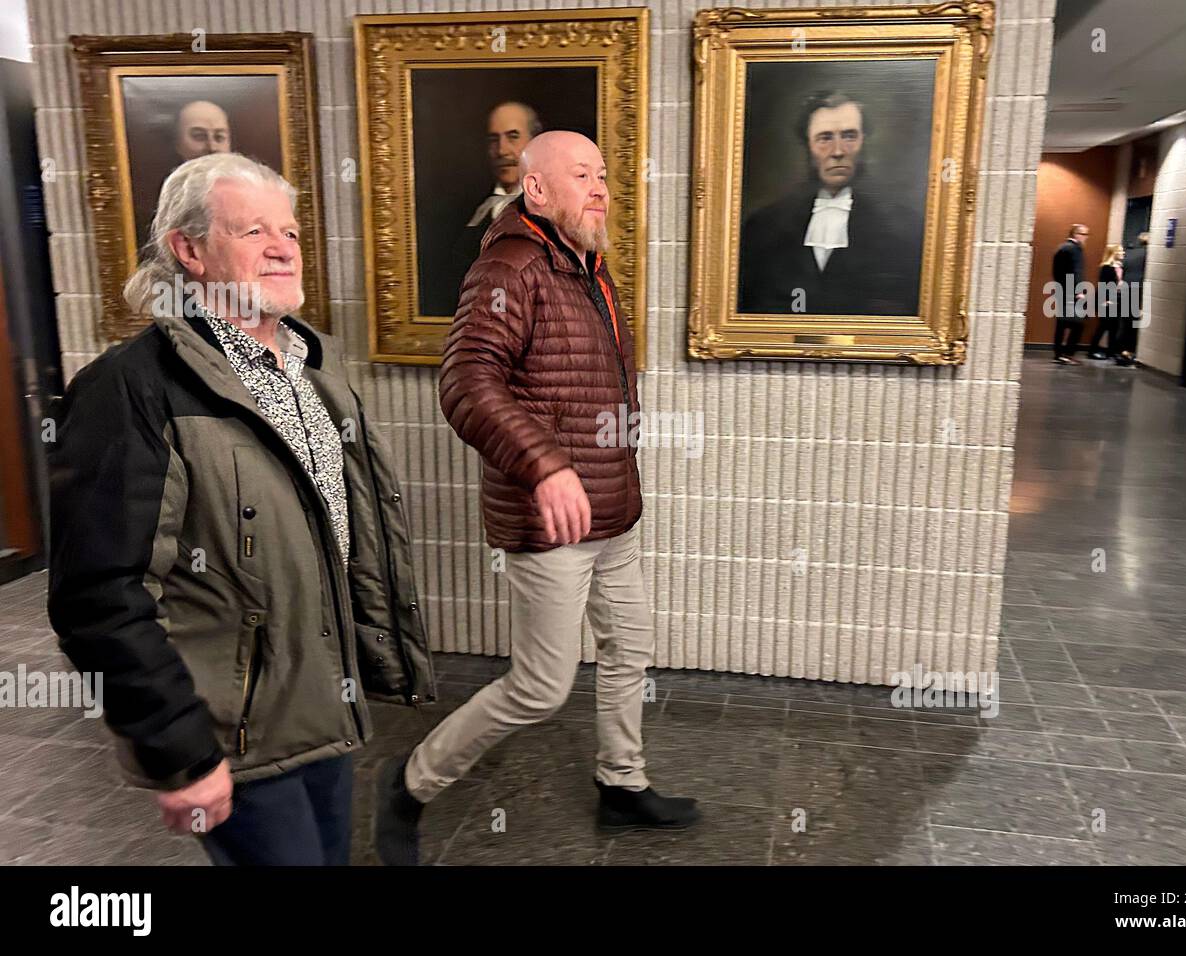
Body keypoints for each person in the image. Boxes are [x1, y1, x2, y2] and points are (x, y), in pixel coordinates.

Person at [47, 152, 435, 866]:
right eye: (253, 231)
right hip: (230, 732)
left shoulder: (312, 365)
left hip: (320, 707)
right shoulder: (130, 390)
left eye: (288, 230)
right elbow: (101, 595)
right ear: (188, 250)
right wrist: (179, 752)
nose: (284, 246)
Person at [373, 130, 698, 866]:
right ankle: (410, 783)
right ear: (537, 191)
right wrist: (546, 466)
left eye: (604, 175)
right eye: (582, 175)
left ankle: (622, 782)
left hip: (612, 512)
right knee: (540, 689)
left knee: (629, 647)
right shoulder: (510, 266)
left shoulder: (588, 266)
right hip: (552, 522)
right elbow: (465, 383)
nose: (601, 189)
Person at [737, 90, 923, 316]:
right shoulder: (764, 226)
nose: (838, 151)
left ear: (863, 141)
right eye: (825, 138)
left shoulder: (904, 226)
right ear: (808, 145)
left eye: (849, 136)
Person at [438, 101, 543, 315]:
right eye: (494, 140)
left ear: (535, 144)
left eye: (513, 137)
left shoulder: (557, 211)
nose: (502, 150)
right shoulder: (467, 212)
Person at [1051, 223, 1089, 365]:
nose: (1086, 238)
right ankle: (1068, 353)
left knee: (1061, 323)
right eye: (1085, 235)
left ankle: (1059, 353)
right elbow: (1076, 271)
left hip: (1061, 289)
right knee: (1078, 324)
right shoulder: (1075, 249)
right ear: (1076, 234)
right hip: (1072, 291)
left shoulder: (1061, 248)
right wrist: (1079, 291)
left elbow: (1056, 272)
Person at [1114, 231, 1148, 366]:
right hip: (1138, 290)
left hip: (1126, 290)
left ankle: (1120, 352)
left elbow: (1122, 271)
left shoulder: (1128, 253)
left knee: (1124, 323)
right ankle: (1130, 352)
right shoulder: (1149, 255)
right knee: (1136, 325)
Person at [1088, 244, 1125, 360]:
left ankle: (1111, 351)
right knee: (1103, 326)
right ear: (1114, 253)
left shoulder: (1119, 267)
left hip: (1116, 299)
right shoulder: (1107, 267)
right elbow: (1103, 285)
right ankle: (1092, 350)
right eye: (1120, 251)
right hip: (1107, 300)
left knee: (1114, 327)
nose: (1123, 253)